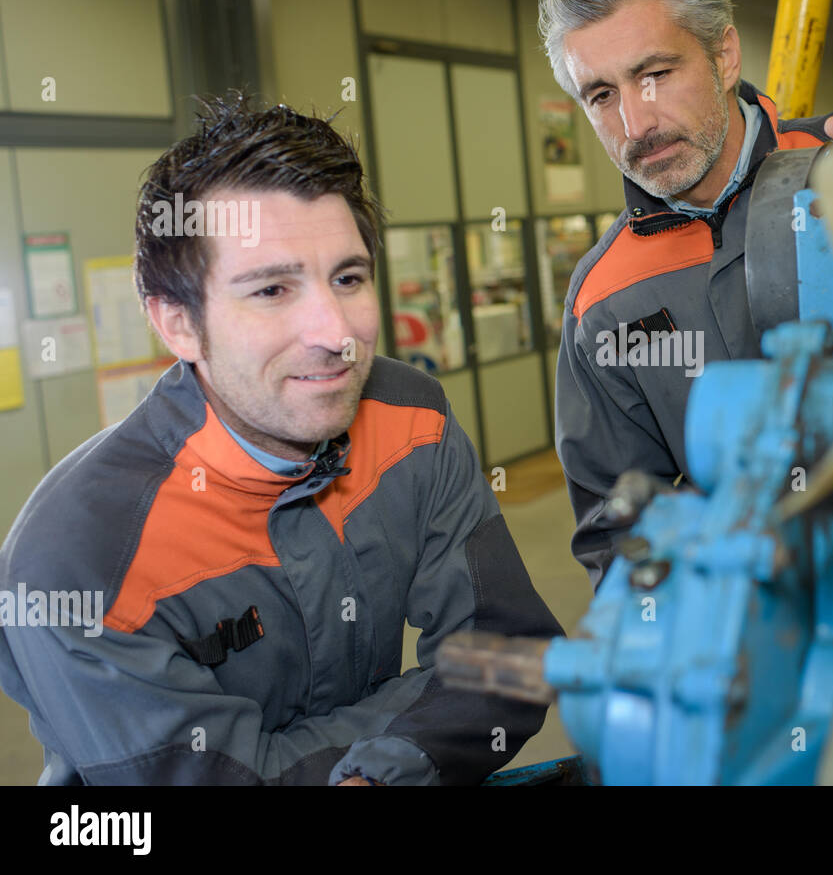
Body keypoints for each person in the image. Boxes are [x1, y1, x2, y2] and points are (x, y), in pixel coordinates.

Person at [0, 96, 563, 785]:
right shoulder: (80, 556)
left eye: (348, 278)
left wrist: (372, 773)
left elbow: (511, 656)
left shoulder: (410, 413)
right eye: (271, 290)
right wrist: (407, 730)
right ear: (177, 323)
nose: (336, 333)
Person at [540, 0, 833, 588]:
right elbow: (621, 537)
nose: (634, 122)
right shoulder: (604, 301)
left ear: (724, 56)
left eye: (656, 74)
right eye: (599, 94)